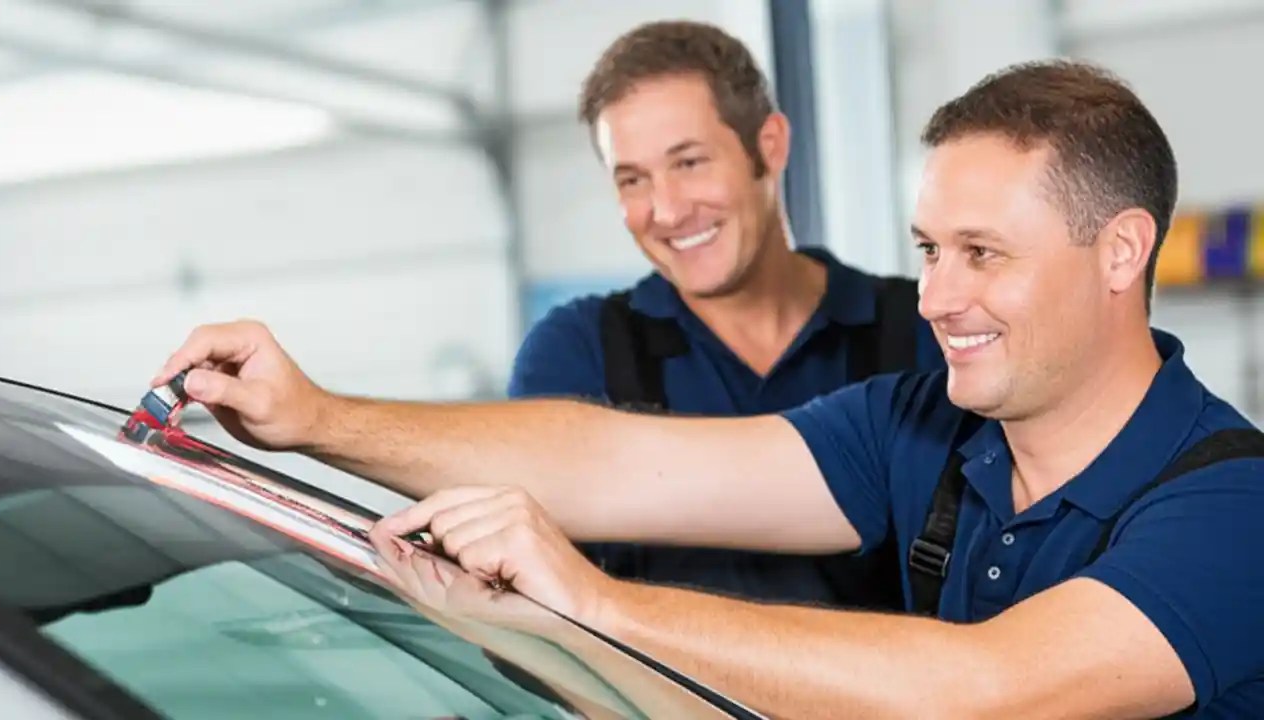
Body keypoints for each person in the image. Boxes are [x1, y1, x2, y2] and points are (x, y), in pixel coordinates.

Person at [155, 60, 1264, 717]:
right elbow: (616, 465)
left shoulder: (1233, 509)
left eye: (981, 254)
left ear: (1121, 254)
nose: (934, 297)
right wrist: (312, 420)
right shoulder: (915, 424)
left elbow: (983, 693)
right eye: (926, 249)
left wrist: (594, 605)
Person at [508, 20, 941, 609]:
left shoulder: (926, 333)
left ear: (770, 145)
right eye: (632, 179)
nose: (665, 210)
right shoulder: (580, 353)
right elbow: (535, 616)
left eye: (689, 163)